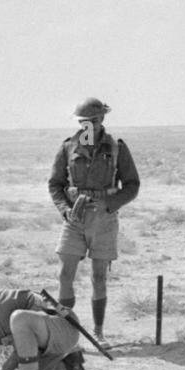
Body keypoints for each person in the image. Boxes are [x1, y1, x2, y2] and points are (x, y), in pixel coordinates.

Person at [46, 98, 141, 350]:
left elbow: (132, 185)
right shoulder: (68, 147)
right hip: (75, 219)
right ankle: (63, 331)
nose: (90, 125)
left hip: (104, 219)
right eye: (84, 122)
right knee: (65, 274)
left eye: (94, 121)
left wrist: (110, 204)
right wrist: (66, 210)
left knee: (99, 277)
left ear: (102, 120)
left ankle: (98, 333)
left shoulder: (117, 148)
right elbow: (55, 184)